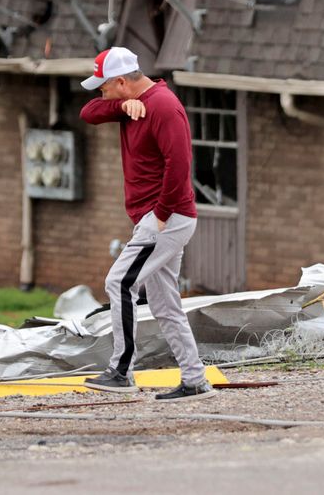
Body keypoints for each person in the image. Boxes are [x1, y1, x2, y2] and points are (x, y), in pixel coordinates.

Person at [77, 46, 212, 401]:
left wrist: (162, 215)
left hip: (165, 217)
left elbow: (180, 165)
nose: (100, 92)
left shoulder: (164, 106)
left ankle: (121, 371)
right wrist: (120, 105)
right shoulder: (131, 105)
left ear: (121, 81)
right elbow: (88, 112)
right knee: (165, 304)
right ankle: (195, 379)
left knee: (119, 282)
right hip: (159, 218)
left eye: (104, 86)